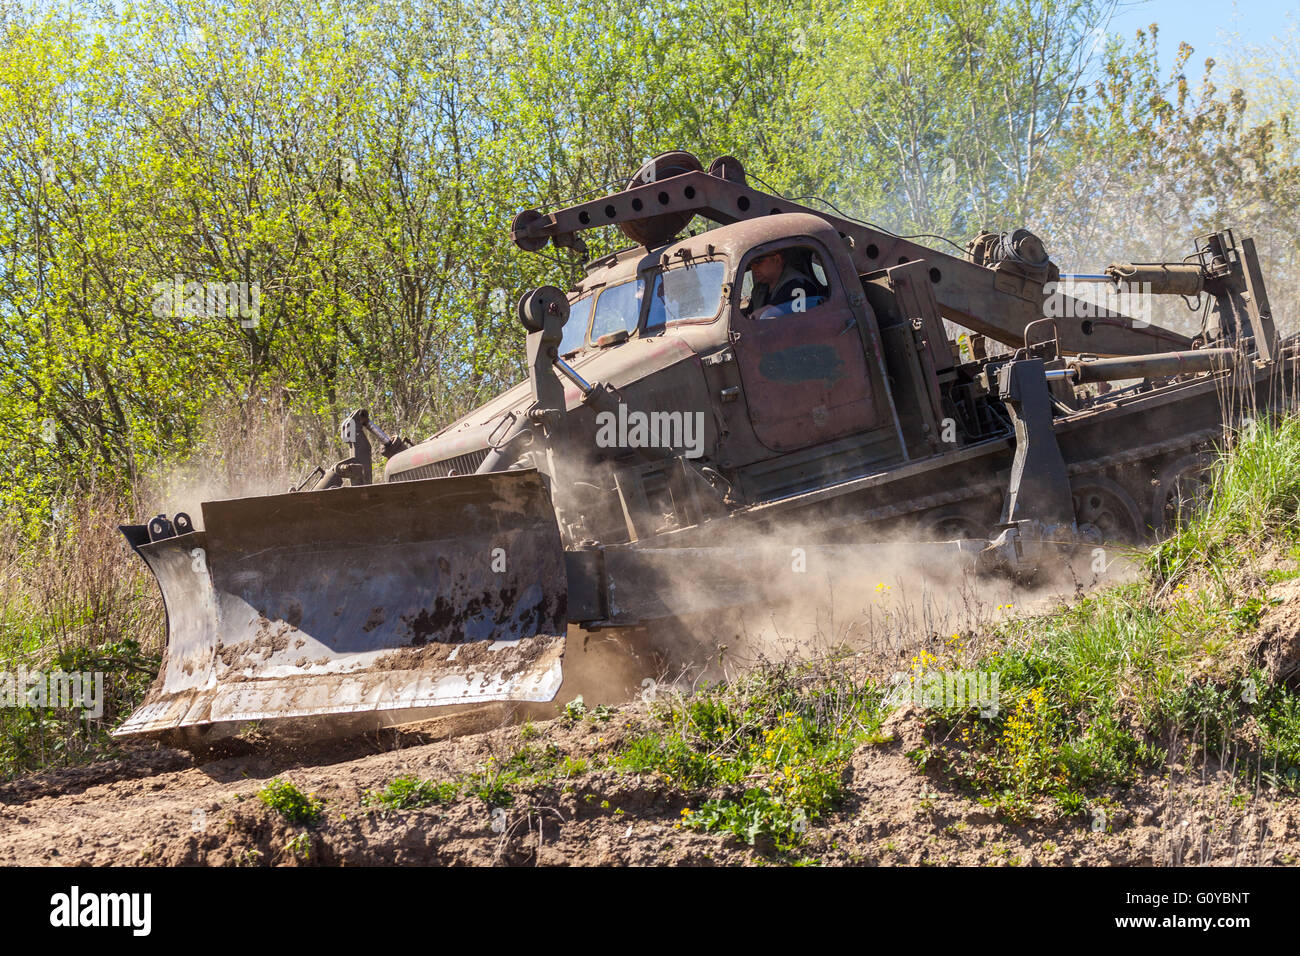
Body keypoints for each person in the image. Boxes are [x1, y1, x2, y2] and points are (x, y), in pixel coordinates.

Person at [745, 249, 822, 318]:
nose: (753, 267)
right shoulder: (759, 288)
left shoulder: (798, 285)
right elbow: (747, 314)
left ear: (777, 260)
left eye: (758, 262)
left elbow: (770, 315)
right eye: (751, 263)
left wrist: (757, 315)